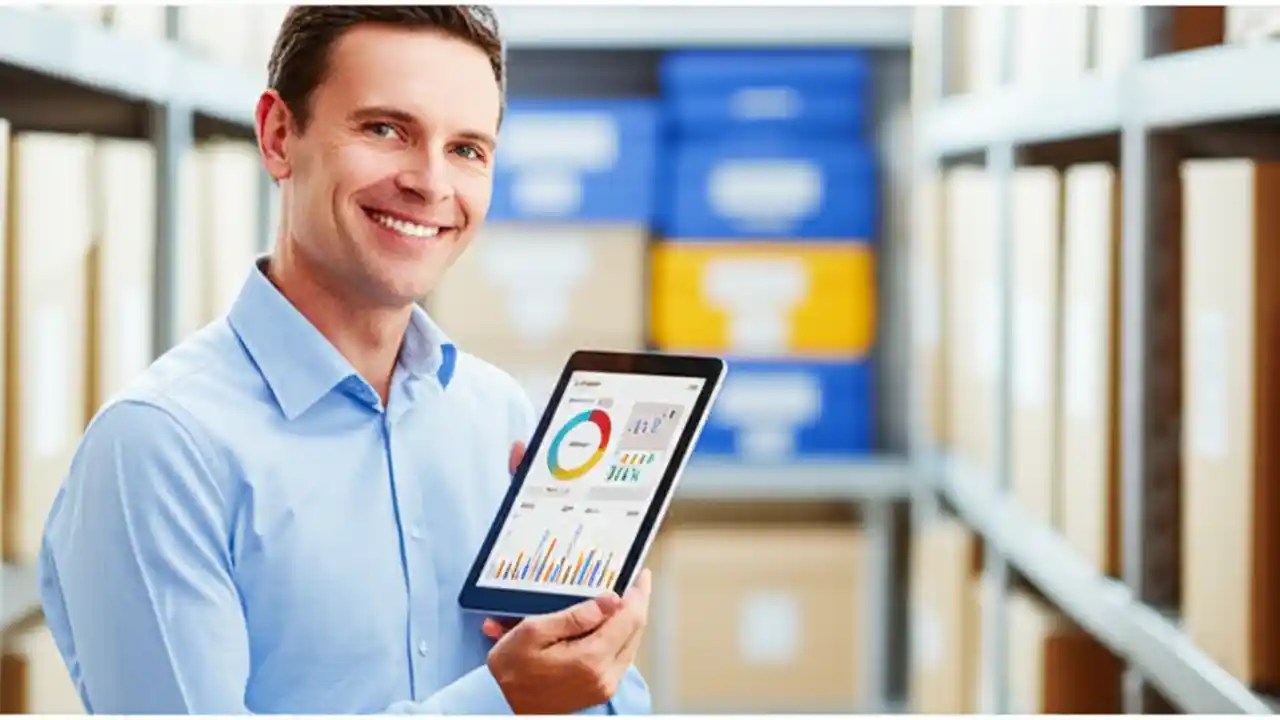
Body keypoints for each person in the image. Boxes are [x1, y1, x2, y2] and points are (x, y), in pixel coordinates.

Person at [37, 5, 652, 715]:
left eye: (467, 150)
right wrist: (500, 700)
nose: (431, 183)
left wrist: (594, 656)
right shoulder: (158, 448)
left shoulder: (499, 417)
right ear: (277, 136)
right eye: (385, 130)